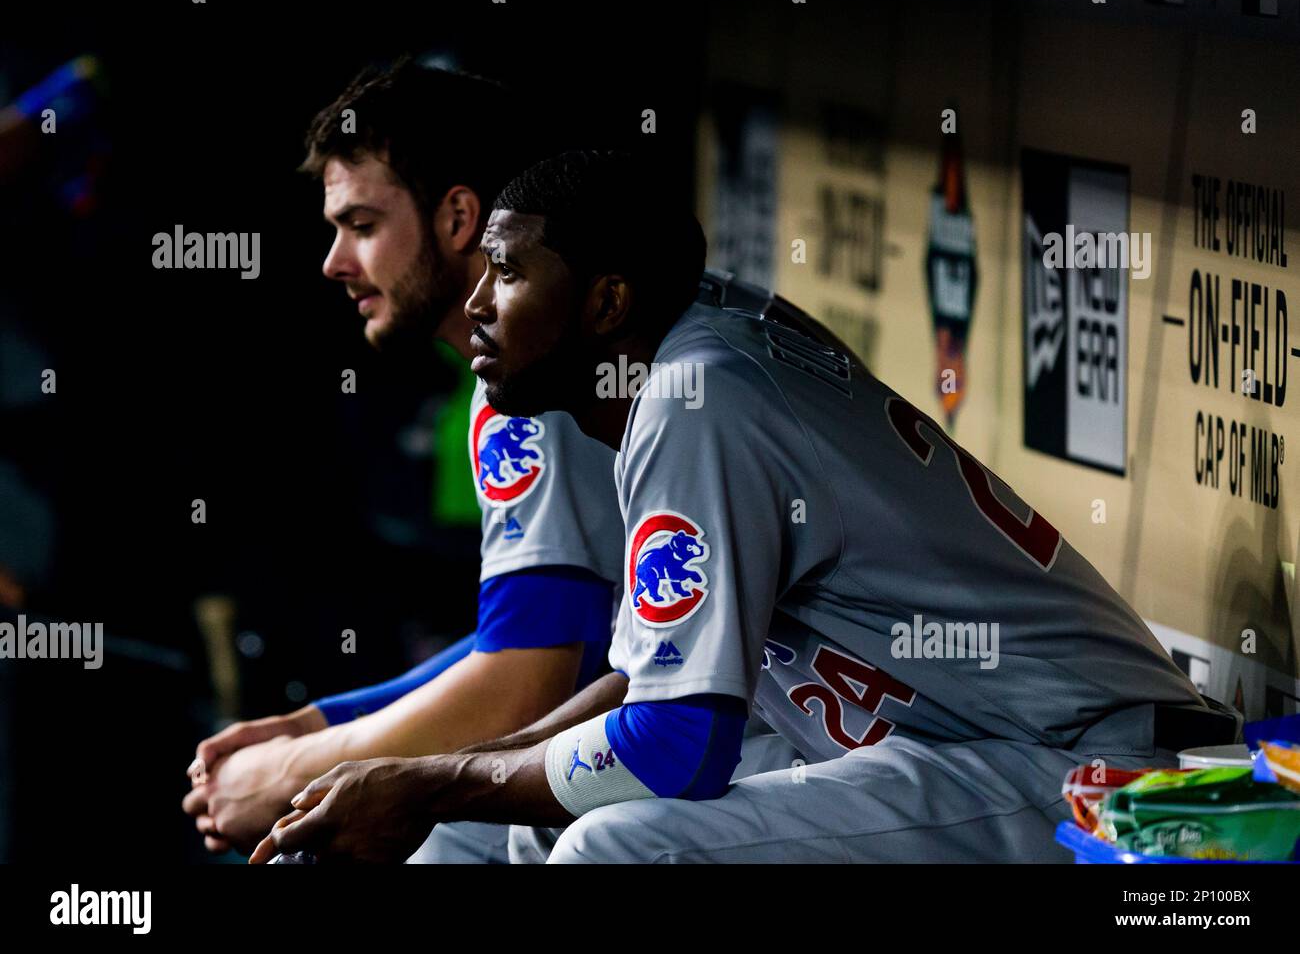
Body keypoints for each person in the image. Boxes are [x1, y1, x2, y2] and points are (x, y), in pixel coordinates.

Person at [250, 150, 1236, 865]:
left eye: (508, 273)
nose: (477, 304)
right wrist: (441, 779)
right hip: (943, 746)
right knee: (471, 828)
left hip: (1088, 766)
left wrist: (429, 773)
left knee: (618, 849)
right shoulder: (675, 373)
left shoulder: (698, 397)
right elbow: (647, 689)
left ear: (605, 303)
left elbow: (677, 748)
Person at [181, 66, 623, 862]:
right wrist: (324, 724)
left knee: (359, 834)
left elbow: (529, 682)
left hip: (847, 737)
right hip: (785, 704)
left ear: (458, 215)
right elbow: (544, 637)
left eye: (360, 224)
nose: (334, 261)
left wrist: (286, 772)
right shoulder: (562, 331)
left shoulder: (541, 371)